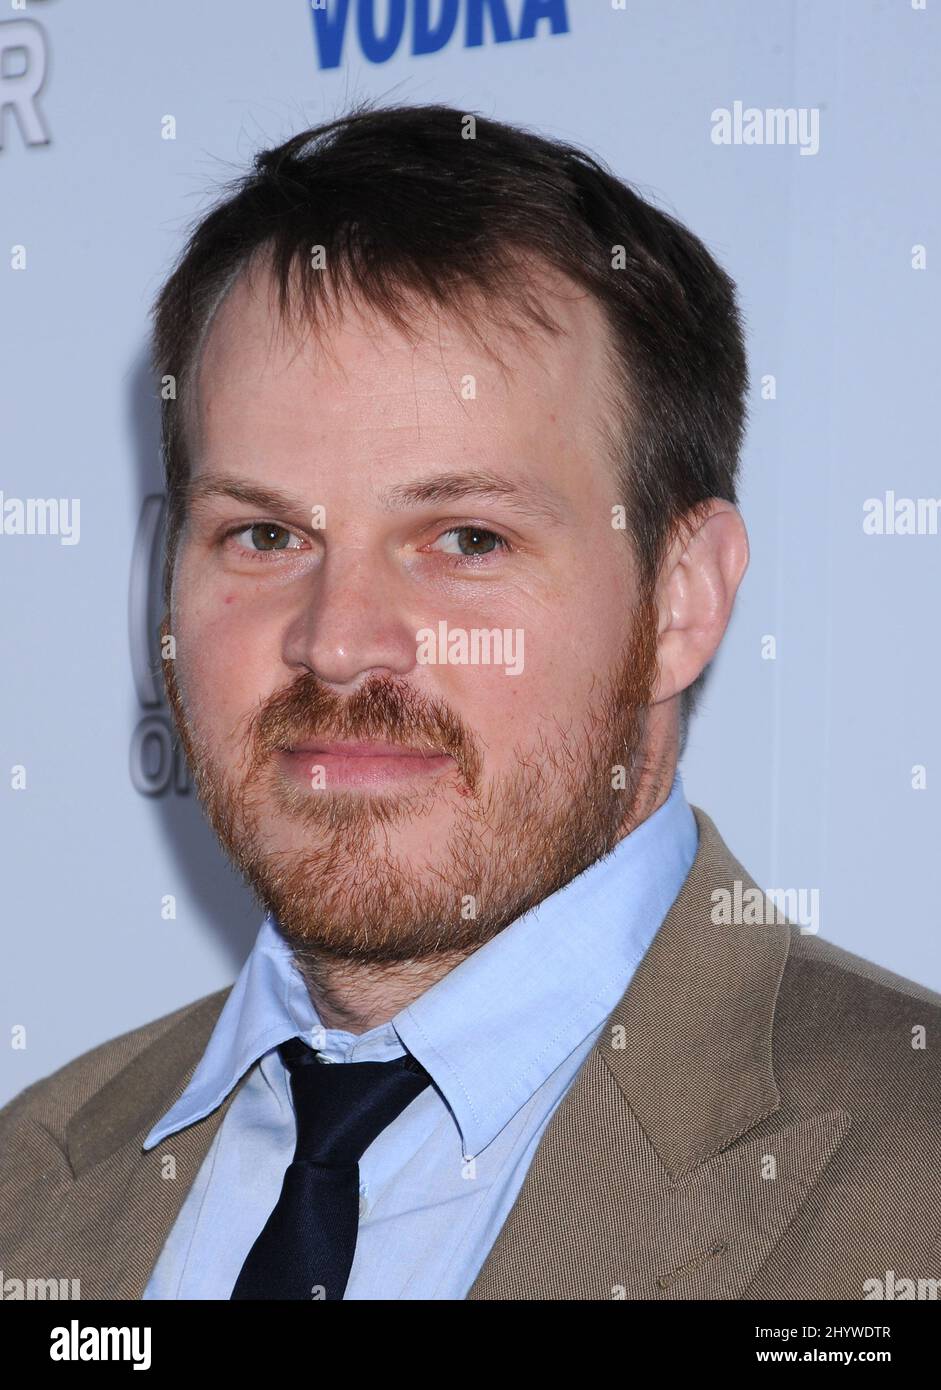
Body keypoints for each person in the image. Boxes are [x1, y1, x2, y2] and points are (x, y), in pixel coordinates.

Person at [2, 102, 939, 1303]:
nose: (337, 641)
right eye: (266, 531)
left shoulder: (907, 1191)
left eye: (462, 536)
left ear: (682, 600)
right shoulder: (28, 1185)